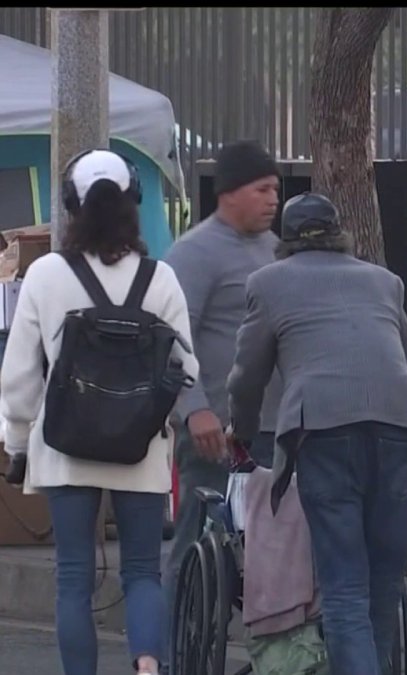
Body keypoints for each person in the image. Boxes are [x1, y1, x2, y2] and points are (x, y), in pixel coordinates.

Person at [227, 192, 407, 675]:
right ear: (339, 231)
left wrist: (239, 433)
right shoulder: (385, 283)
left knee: (344, 588)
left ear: (285, 240)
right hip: (405, 431)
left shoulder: (268, 282)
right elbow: (405, 366)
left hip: (326, 433)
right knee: (383, 586)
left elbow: (247, 378)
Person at [0, 149, 199, 675]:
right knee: (141, 571)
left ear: (71, 205)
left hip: (65, 447)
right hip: (140, 448)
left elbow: (19, 375)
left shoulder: (45, 274)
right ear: (134, 204)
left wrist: (17, 443)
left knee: (72, 577)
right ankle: (149, 666)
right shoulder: (161, 278)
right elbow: (187, 369)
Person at [162, 139, 283, 617]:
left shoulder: (277, 250)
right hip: (214, 427)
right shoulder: (194, 252)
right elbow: (171, 336)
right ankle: (175, 653)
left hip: (272, 425)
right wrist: (194, 409)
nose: (273, 199)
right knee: (197, 542)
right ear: (229, 193)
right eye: (262, 189)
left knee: (272, 549)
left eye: (276, 189)